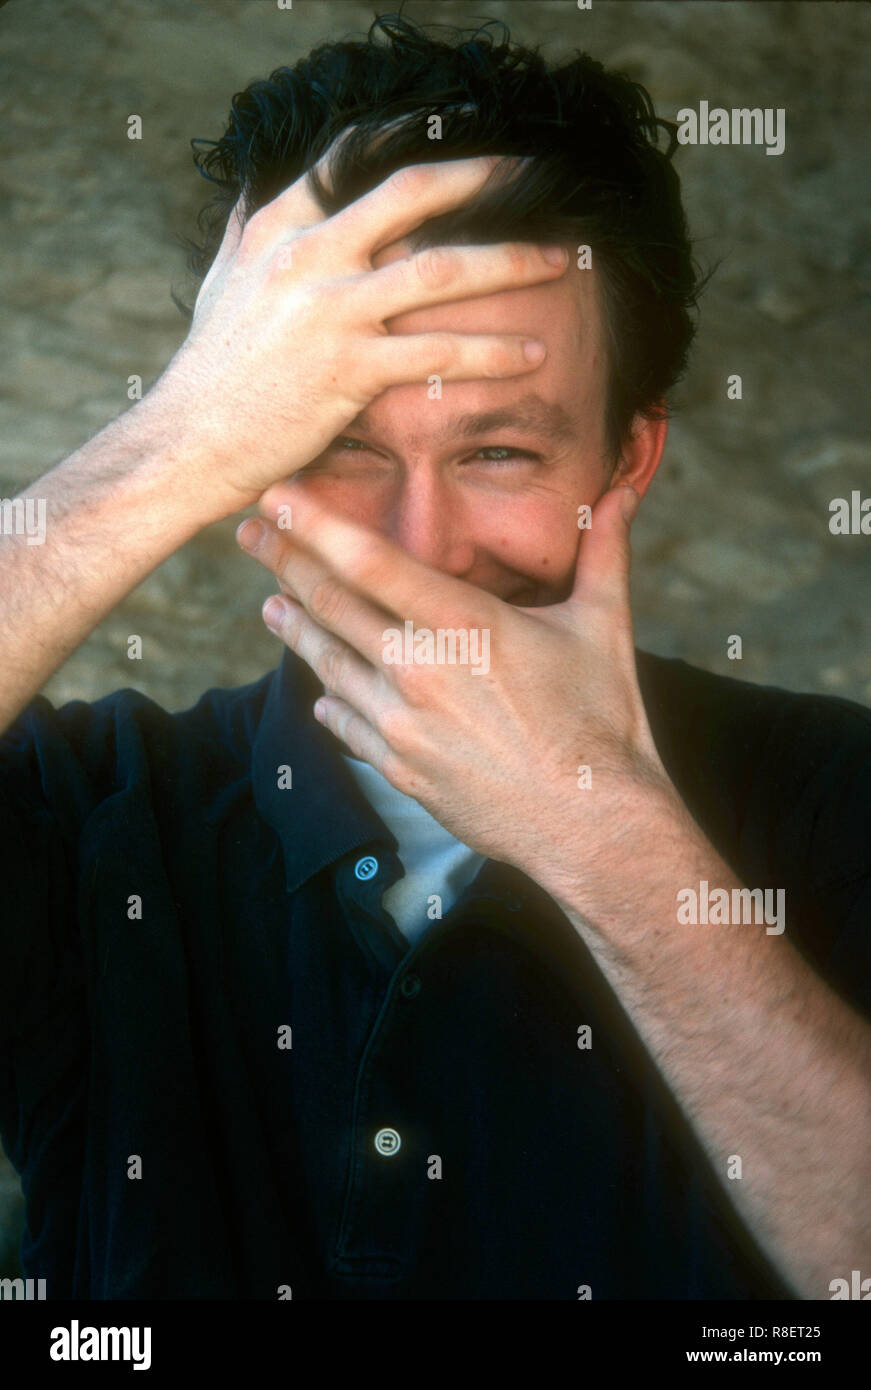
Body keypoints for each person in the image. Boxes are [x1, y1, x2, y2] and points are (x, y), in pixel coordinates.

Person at [1, 12, 869, 1302]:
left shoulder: (832, 793)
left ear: (626, 460)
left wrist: (602, 838)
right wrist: (178, 434)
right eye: (336, 438)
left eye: (501, 453)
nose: (425, 545)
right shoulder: (98, 821)